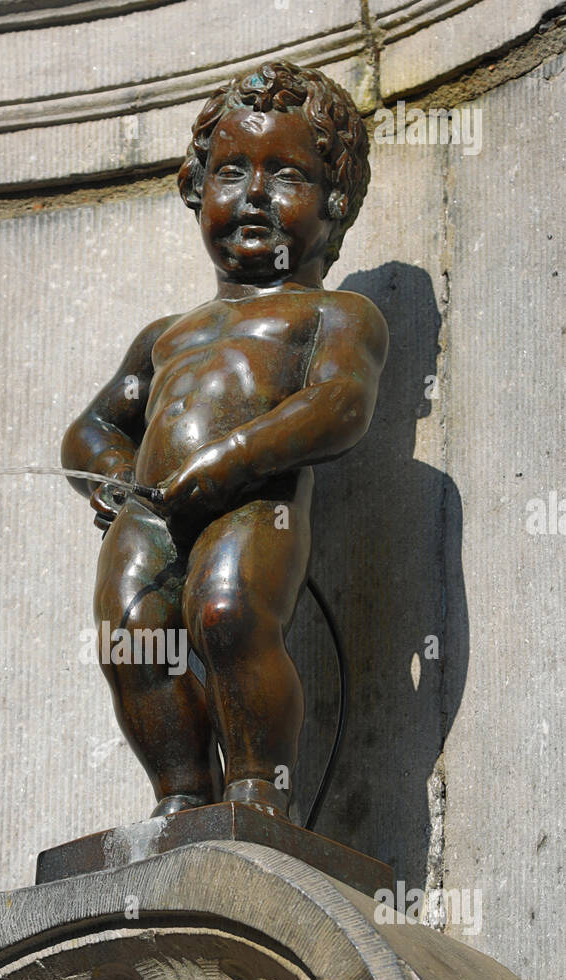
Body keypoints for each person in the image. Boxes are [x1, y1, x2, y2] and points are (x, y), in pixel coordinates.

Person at [62, 59, 388, 819]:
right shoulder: (167, 335)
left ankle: (255, 791)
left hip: (256, 502)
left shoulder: (331, 315)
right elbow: (91, 427)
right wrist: (116, 477)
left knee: (227, 614)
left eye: (286, 175)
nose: (254, 195)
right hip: (151, 514)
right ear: (194, 188)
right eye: (232, 170)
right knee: (131, 635)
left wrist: (232, 462)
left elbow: (341, 404)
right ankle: (179, 795)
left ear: (335, 204)